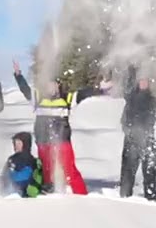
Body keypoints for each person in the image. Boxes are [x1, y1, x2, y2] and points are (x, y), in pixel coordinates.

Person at [12, 59, 108, 195]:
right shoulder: (38, 99)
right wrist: (18, 75)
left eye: (54, 84)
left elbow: (82, 94)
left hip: (62, 140)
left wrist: (98, 89)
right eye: (49, 85)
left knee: (69, 169)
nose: (51, 88)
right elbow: (25, 89)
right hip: (43, 140)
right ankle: (47, 192)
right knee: (46, 169)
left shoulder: (66, 99)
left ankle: (81, 193)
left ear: (58, 85)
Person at [119, 66, 156, 201]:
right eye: (141, 80)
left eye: (146, 81)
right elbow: (124, 119)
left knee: (150, 171)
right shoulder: (130, 97)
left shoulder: (153, 100)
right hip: (131, 139)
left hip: (148, 138)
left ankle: (151, 198)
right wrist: (131, 70)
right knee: (128, 171)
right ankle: (124, 198)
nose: (143, 83)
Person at [4, 131, 46, 198]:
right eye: (15, 143)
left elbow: (26, 178)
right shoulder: (11, 159)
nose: (16, 145)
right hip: (10, 192)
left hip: (26, 193)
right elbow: (4, 175)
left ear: (25, 144)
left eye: (19, 143)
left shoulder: (32, 161)